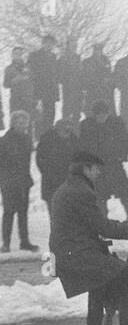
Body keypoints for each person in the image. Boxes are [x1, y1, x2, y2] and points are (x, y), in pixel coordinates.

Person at [48, 149, 128, 325]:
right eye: (96, 169)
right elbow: (103, 227)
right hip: (78, 254)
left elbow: (95, 223)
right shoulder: (81, 192)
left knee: (100, 284)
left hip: (68, 252)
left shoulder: (70, 188)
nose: (99, 173)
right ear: (85, 169)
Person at [78, 100, 128, 217]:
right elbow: (83, 146)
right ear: (94, 115)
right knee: (99, 199)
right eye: (99, 115)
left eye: (104, 114)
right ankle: (102, 225)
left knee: (126, 195)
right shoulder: (86, 125)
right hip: (96, 167)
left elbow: (124, 141)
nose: (101, 117)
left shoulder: (116, 123)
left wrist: (122, 155)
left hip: (114, 164)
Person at [0, 109, 38, 252]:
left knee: (23, 212)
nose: (22, 125)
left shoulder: (27, 139)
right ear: (13, 123)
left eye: (24, 122)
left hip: (23, 181)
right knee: (9, 212)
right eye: (19, 122)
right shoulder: (4, 141)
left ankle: (24, 241)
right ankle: (6, 243)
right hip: (9, 182)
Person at [35, 118, 79, 209]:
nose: (67, 134)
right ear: (58, 130)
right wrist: (48, 173)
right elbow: (40, 159)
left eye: (69, 131)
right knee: (54, 211)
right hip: (51, 182)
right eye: (64, 131)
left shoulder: (73, 140)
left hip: (68, 181)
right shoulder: (47, 139)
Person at [29, 34, 60, 136]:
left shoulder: (53, 56)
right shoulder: (34, 55)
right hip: (39, 91)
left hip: (51, 92)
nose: (49, 45)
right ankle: (39, 138)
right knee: (39, 117)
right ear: (43, 44)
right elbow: (32, 73)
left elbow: (55, 74)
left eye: (51, 44)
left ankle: (49, 136)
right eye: (47, 43)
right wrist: (36, 92)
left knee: (50, 115)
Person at [82, 44, 113, 116]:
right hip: (92, 90)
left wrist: (107, 81)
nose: (98, 52)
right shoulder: (87, 61)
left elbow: (109, 74)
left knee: (104, 111)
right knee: (91, 111)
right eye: (97, 50)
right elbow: (84, 76)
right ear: (94, 51)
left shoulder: (106, 61)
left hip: (104, 91)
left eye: (100, 50)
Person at [4, 49, 35, 123]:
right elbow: (5, 84)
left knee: (28, 121)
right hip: (15, 98)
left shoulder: (28, 66)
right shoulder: (9, 68)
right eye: (15, 54)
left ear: (22, 55)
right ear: (12, 55)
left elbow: (34, 79)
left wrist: (27, 77)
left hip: (27, 98)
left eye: (19, 54)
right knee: (14, 121)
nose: (17, 56)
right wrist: (14, 80)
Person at [59, 42, 85, 125]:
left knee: (77, 109)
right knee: (67, 109)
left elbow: (81, 72)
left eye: (75, 45)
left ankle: (76, 128)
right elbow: (61, 73)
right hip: (68, 87)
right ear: (68, 46)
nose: (74, 47)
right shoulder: (63, 58)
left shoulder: (77, 57)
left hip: (78, 87)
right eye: (72, 45)